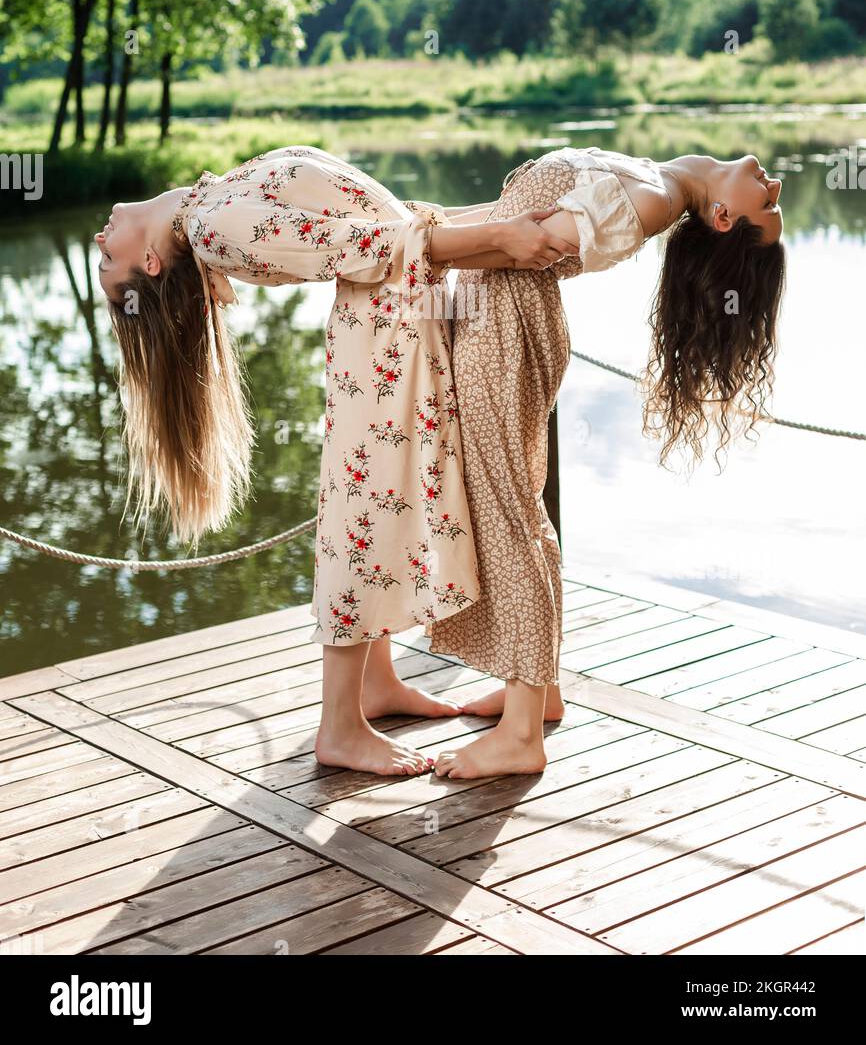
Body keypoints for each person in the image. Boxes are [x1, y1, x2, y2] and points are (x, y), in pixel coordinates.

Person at [94, 144, 581, 778]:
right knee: (361, 522)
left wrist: (494, 218)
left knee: (378, 511)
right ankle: (340, 728)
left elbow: (381, 221)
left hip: (389, 331)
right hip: (384, 349)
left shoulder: (211, 205)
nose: (101, 239)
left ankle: (376, 686)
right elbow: (374, 247)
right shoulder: (213, 227)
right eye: (108, 259)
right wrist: (502, 236)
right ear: (153, 263)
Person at [428, 147, 786, 779]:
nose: (776, 182)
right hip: (499, 320)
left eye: (772, 203)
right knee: (518, 507)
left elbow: (521, 247)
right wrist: (425, 219)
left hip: (502, 332)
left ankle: (520, 733)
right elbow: (512, 221)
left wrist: (412, 246)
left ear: (725, 217)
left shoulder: (651, 201)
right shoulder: (660, 184)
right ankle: (538, 693)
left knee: (507, 515)